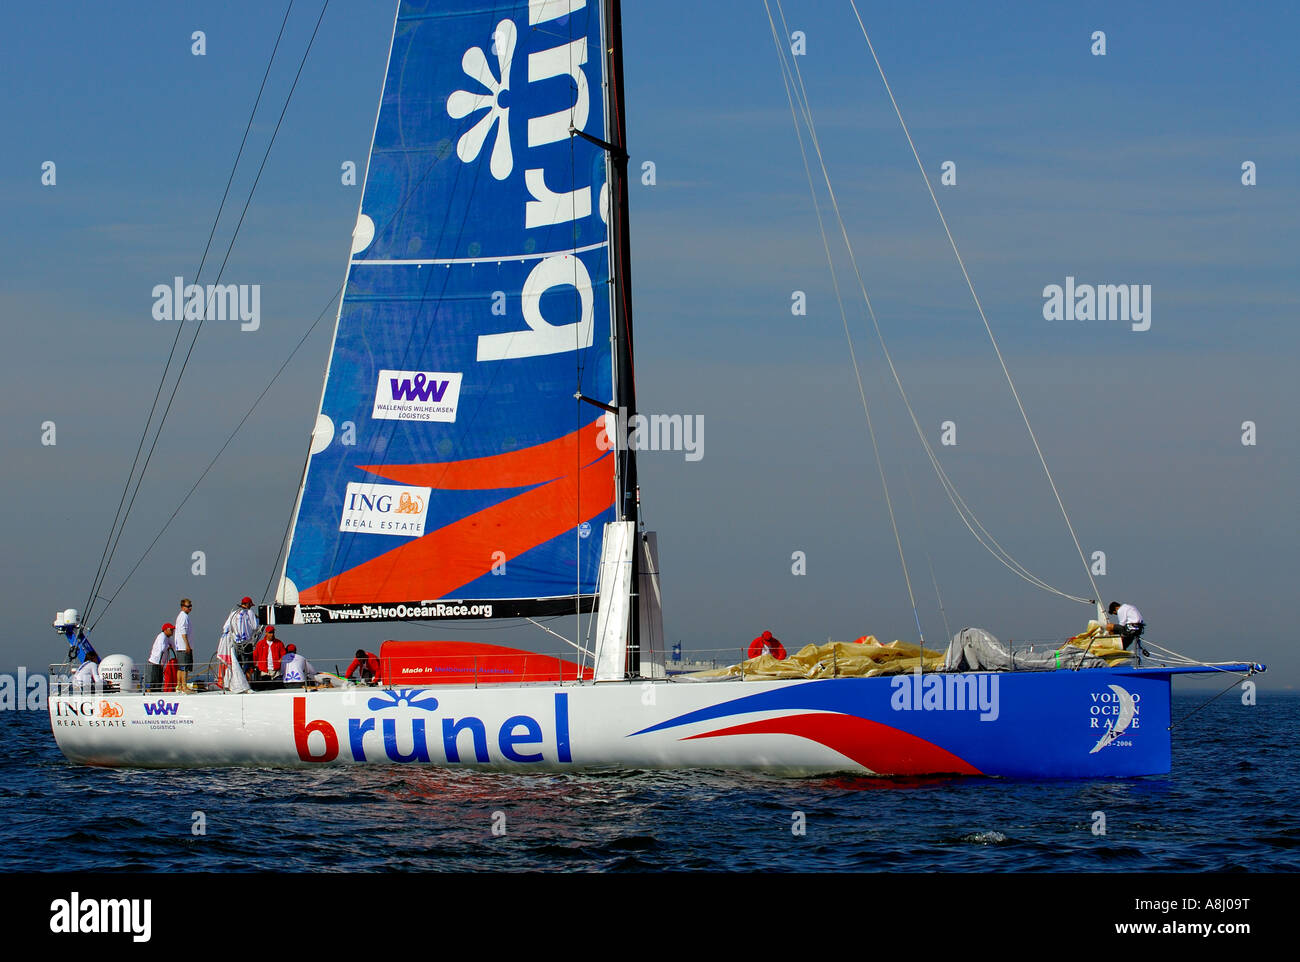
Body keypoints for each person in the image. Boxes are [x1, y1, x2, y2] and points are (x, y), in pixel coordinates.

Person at [217, 596, 259, 688]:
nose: (251, 607)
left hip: (235, 643)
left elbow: (226, 627)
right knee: (248, 665)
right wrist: (257, 619)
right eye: (250, 605)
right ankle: (248, 685)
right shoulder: (249, 612)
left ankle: (236, 684)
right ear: (248, 604)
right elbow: (255, 627)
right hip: (246, 644)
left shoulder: (233, 613)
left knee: (237, 665)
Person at [146, 624, 176, 693]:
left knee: (158, 682)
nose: (172, 631)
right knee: (153, 682)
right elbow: (162, 648)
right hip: (155, 663)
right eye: (171, 630)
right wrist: (169, 646)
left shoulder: (167, 638)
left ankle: (157, 692)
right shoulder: (162, 637)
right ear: (165, 630)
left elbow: (173, 646)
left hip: (160, 664)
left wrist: (170, 645)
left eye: (173, 630)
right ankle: (150, 694)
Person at [174, 598, 196, 693]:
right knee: (184, 668)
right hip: (184, 647)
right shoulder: (183, 617)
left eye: (191, 606)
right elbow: (183, 631)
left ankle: (179, 685)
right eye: (188, 606)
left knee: (181, 667)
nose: (190, 608)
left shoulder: (182, 616)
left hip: (181, 646)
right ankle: (183, 686)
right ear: (183, 607)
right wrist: (187, 645)